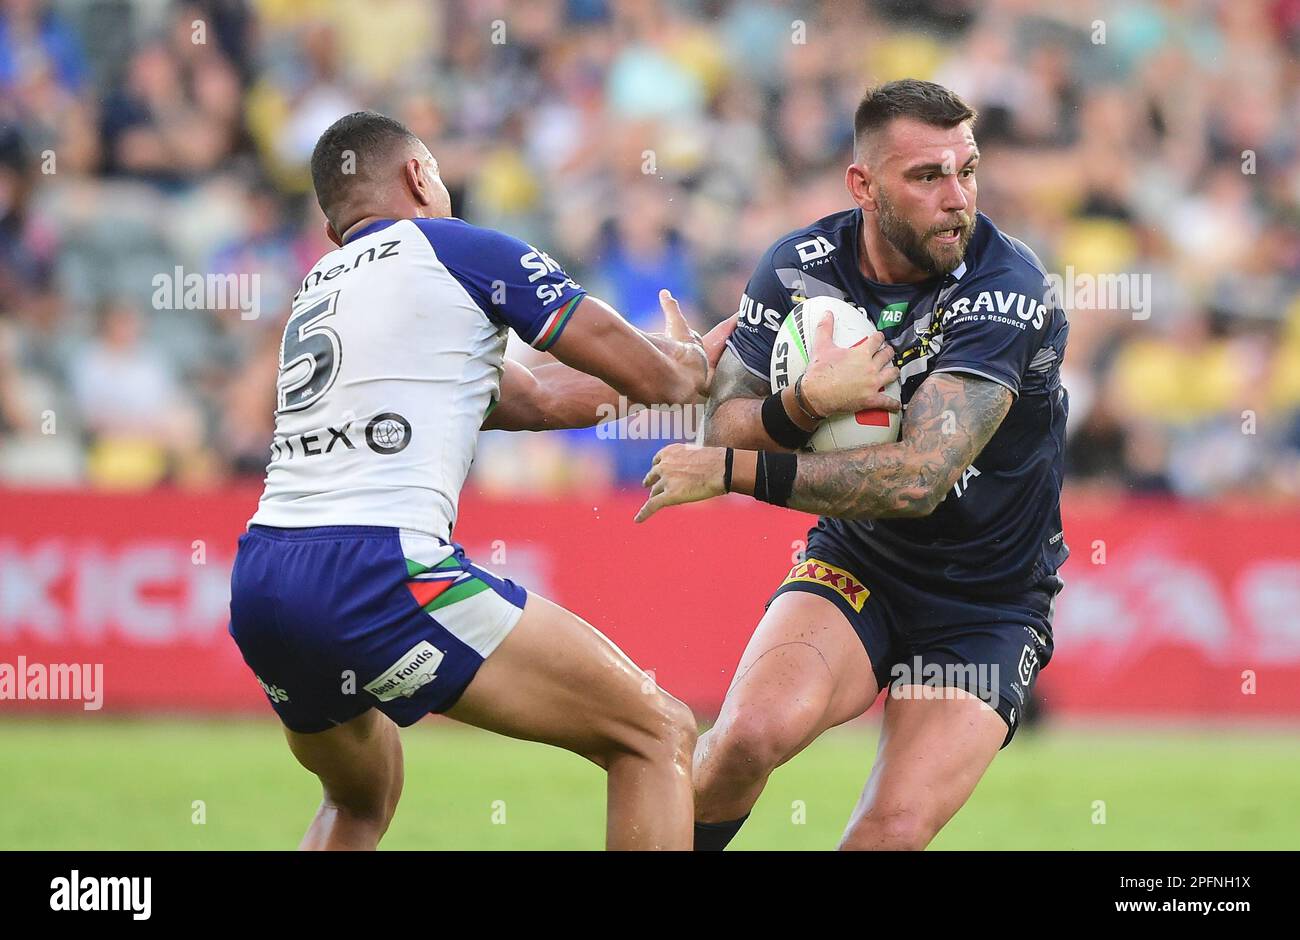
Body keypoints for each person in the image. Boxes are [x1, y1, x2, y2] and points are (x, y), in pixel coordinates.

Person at [228, 110, 731, 851]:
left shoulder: (321, 288)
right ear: (419, 176)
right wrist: (688, 368)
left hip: (264, 581)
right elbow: (651, 375)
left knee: (362, 797)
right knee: (655, 731)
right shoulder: (456, 249)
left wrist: (671, 370)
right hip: (375, 567)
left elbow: (539, 400)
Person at [636, 80, 1070, 850]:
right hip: (859, 565)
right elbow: (728, 421)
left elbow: (918, 477)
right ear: (863, 186)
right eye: (927, 177)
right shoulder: (800, 265)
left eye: (967, 171)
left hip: (987, 606)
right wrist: (802, 404)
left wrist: (731, 475)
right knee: (742, 739)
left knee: (890, 831)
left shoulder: (1006, 288)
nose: (958, 198)